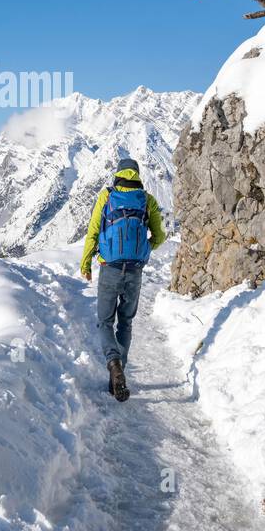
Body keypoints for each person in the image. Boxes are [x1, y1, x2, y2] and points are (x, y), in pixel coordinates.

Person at [80, 158, 167, 402]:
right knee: (125, 322)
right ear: (137, 176)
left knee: (105, 322)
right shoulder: (147, 200)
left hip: (110, 267)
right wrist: (147, 249)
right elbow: (159, 235)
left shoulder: (107, 196)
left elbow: (93, 231)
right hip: (135, 270)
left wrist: (85, 263)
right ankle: (118, 376)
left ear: (118, 174)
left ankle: (113, 363)